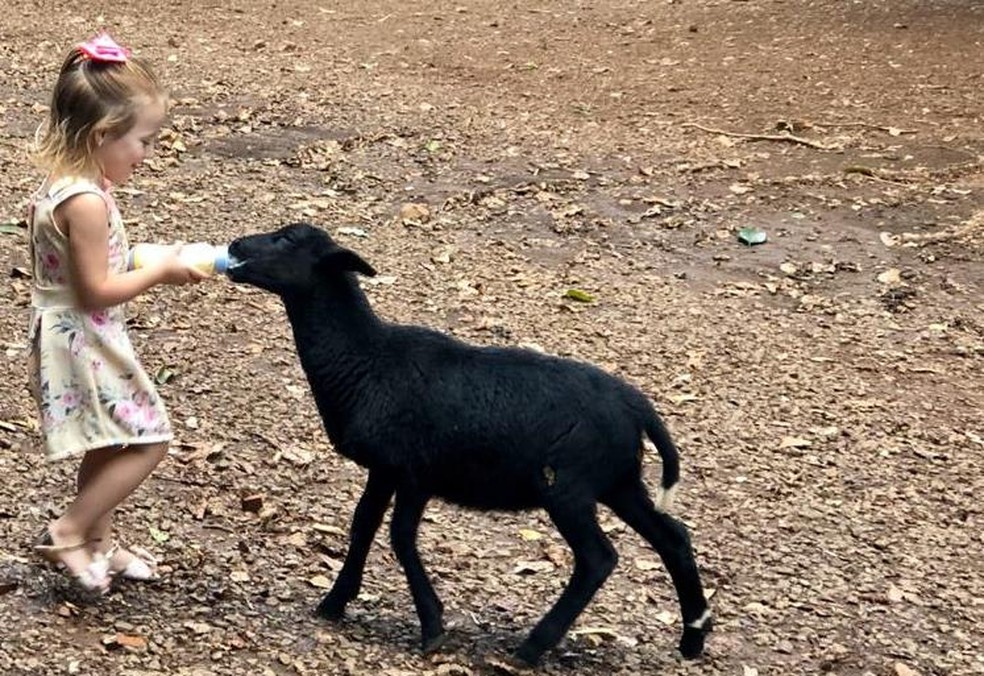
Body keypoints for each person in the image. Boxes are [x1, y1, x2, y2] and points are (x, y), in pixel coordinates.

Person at [26, 32, 207, 593]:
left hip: (77, 331)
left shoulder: (73, 184)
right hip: (83, 335)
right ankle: (70, 530)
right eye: (144, 141)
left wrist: (139, 255)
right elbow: (95, 291)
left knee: (109, 439)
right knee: (151, 439)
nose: (147, 154)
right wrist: (159, 271)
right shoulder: (85, 201)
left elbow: (87, 266)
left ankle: (100, 544)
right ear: (104, 135)